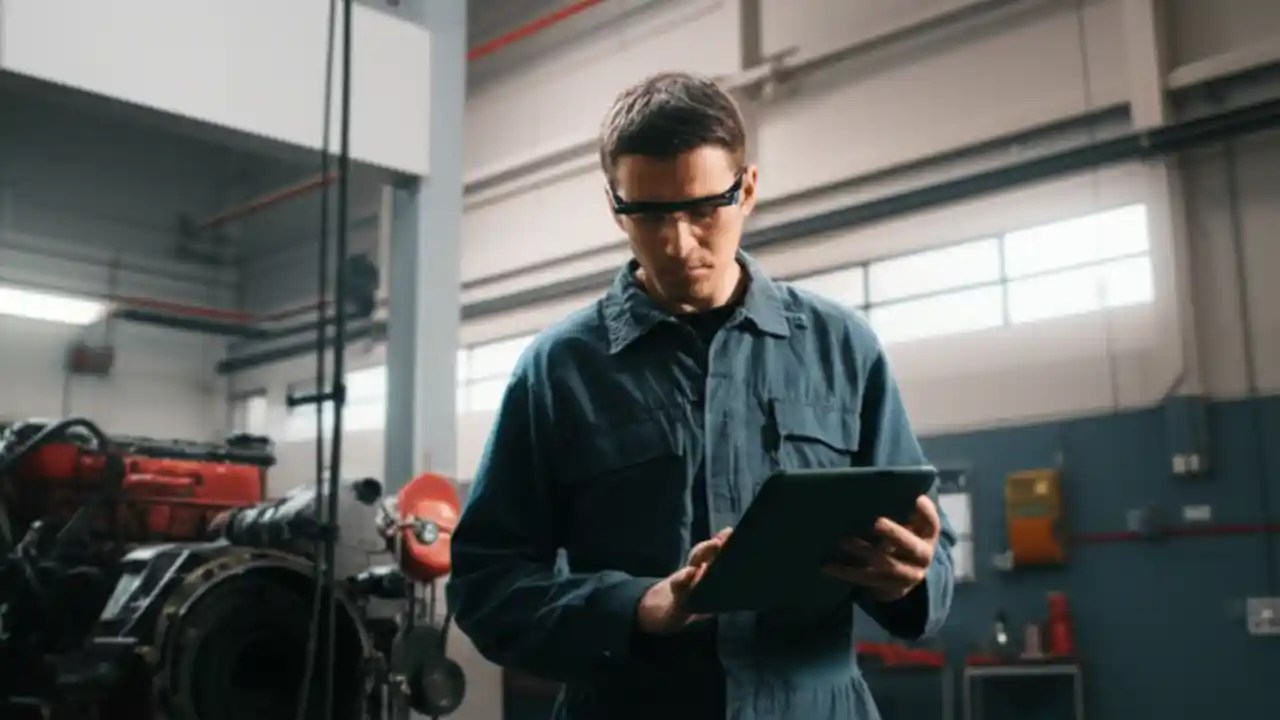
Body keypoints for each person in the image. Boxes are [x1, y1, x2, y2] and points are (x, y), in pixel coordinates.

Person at [447, 72, 955, 719]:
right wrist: (638, 606)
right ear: (614, 206)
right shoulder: (558, 371)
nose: (679, 243)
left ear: (746, 189)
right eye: (649, 215)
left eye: (701, 210)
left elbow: (931, 563)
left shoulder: (843, 349)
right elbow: (487, 585)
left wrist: (911, 577)